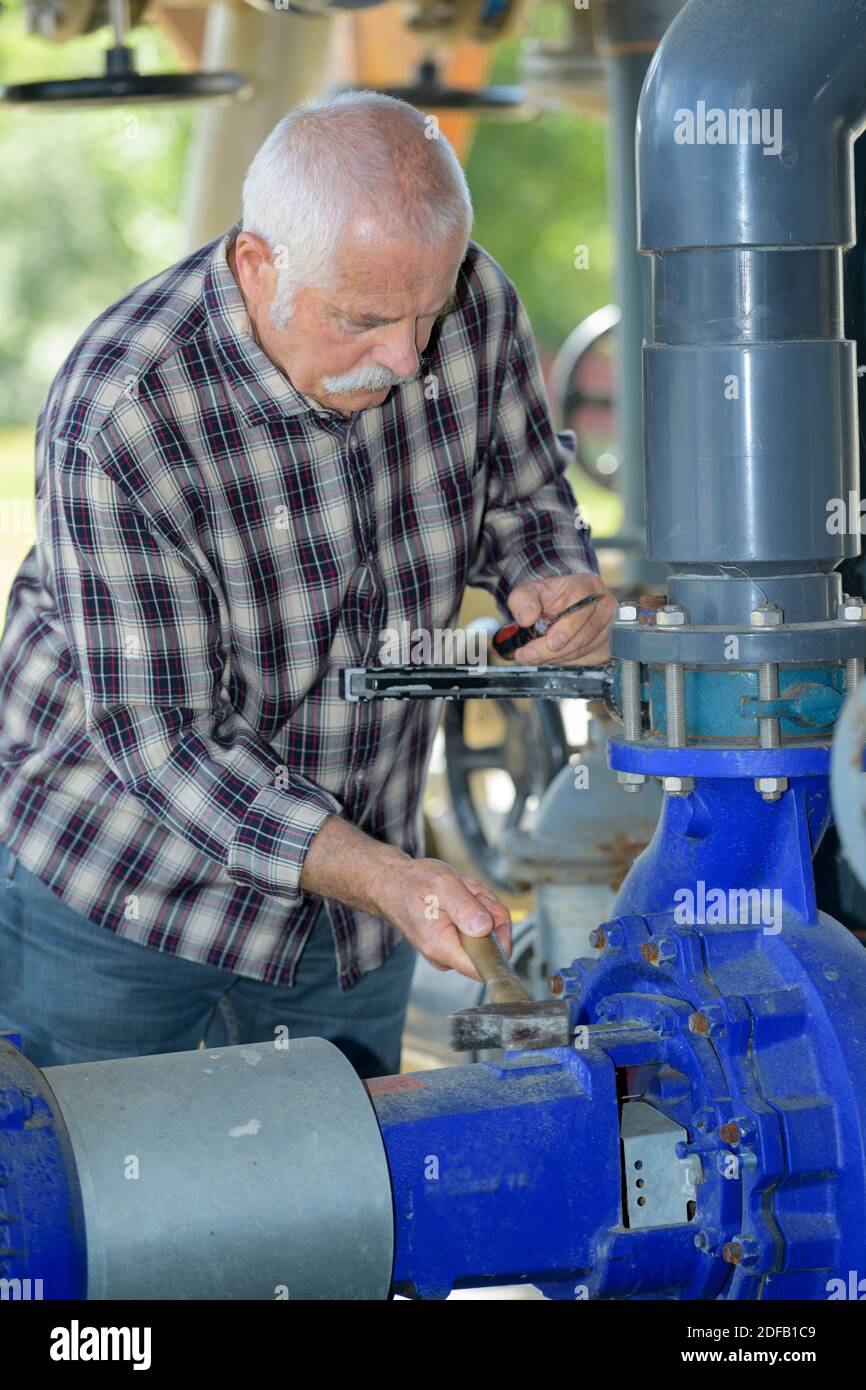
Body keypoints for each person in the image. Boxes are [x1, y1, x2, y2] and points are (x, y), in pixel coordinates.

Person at [0, 91, 613, 1076]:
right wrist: (383, 874)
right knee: (100, 1213)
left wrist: (550, 578)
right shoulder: (123, 409)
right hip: (121, 899)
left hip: (351, 922)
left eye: (427, 315)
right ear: (258, 265)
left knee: (336, 1217)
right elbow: (164, 739)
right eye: (362, 320)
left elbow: (525, 489)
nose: (406, 361)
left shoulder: (471, 301)